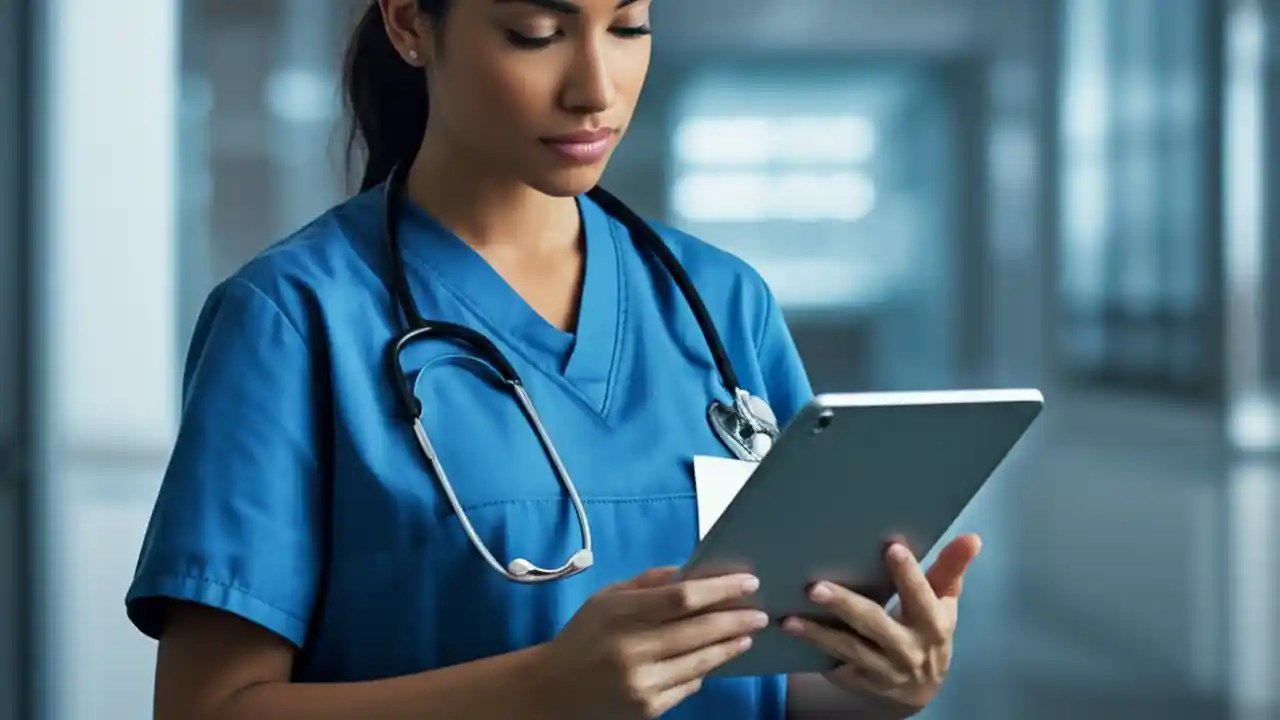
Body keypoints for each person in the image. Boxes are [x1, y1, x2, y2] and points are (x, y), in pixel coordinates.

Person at [124, 0, 984, 717]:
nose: (595, 88)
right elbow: (210, 708)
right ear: (410, 25)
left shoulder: (724, 303)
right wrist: (539, 690)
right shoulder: (294, 319)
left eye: (629, 26)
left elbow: (777, 679)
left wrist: (883, 685)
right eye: (537, 32)